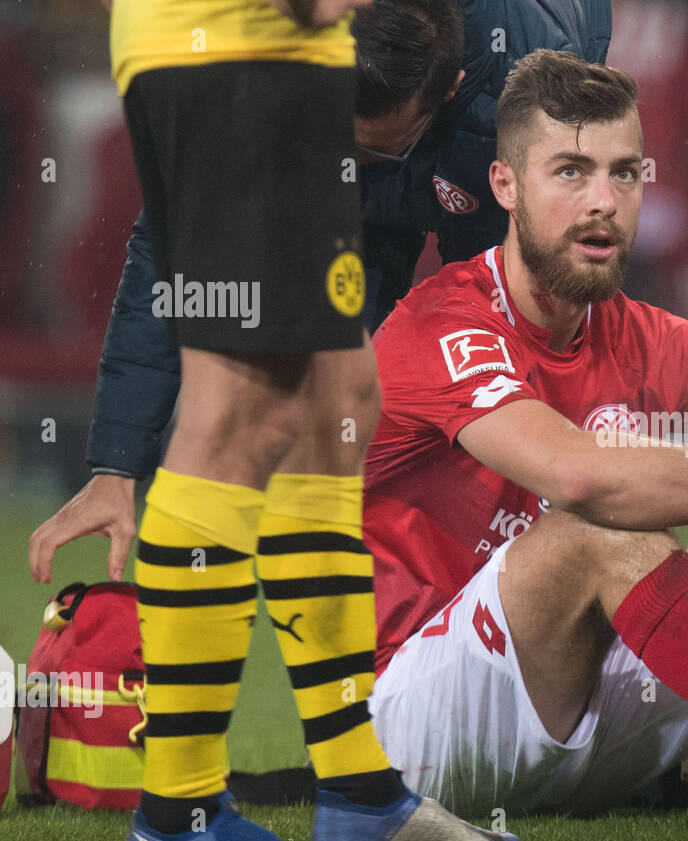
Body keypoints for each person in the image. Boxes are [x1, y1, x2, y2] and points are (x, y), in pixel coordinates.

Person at [362, 49, 688, 818]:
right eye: (570, 172)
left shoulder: (651, 336)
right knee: (597, 519)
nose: (603, 201)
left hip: (600, 709)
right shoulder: (440, 323)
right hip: (425, 728)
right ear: (505, 185)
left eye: (624, 172)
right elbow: (581, 478)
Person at [107, 0, 518, 841]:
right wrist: (116, 459)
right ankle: (177, 821)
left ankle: (362, 798)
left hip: (295, 49)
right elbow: (156, 251)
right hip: (223, 39)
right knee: (240, 408)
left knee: (341, 398)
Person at [29, 0, 611, 584]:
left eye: (368, 149)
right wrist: (116, 465)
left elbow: (535, 312)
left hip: (489, 134)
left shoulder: (537, 101)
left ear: (449, 90)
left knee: (499, 381)